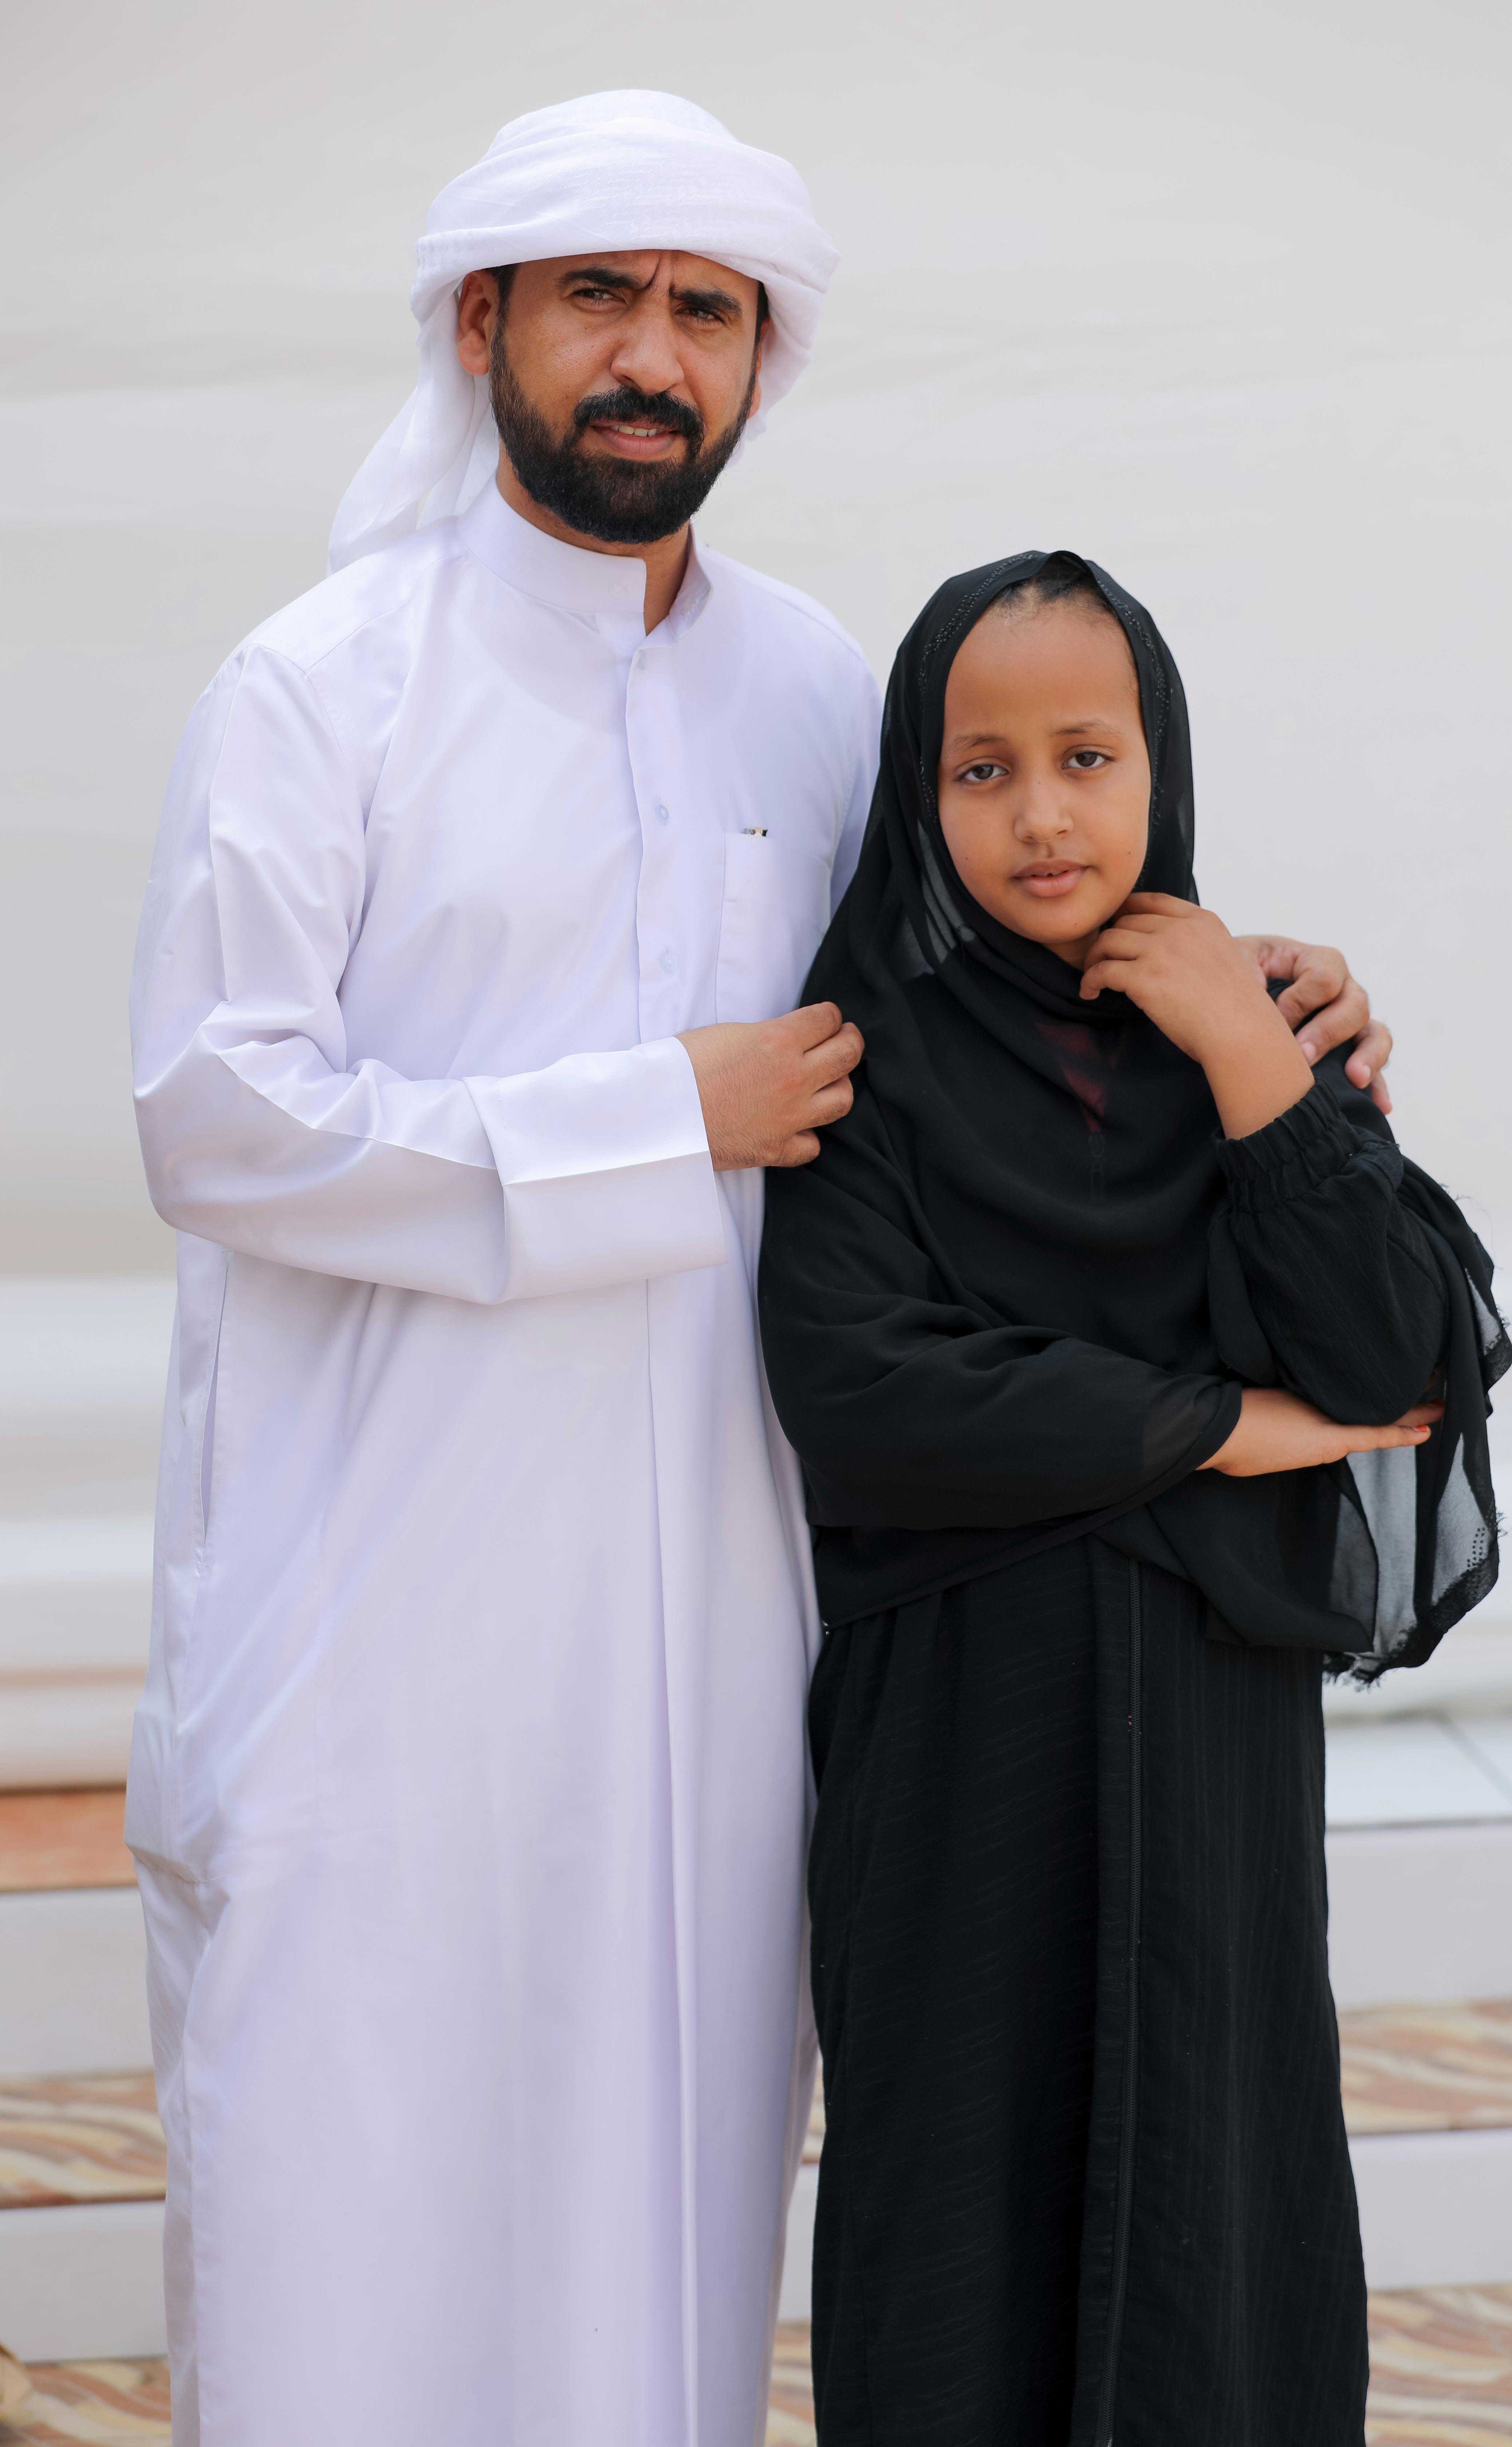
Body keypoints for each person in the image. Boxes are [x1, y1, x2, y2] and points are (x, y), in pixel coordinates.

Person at [129, 87, 1399, 2447]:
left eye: (705, 311)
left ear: (757, 360)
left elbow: (1014, 934)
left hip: (728, 1626)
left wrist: (1263, 987)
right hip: (383, 1606)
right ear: (484, 324)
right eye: (602, 296)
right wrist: (655, 1119)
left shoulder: (823, 690)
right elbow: (215, 1118)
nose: (653, 355)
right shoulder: (318, 690)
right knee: (354, 2194)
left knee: (670, 2221)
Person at [756, 552, 1510, 2447]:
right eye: (980, 768)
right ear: (917, 799)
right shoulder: (871, 1053)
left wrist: (1255, 1061)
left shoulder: (1255, 1033)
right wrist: (1211, 1430)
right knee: (961, 2215)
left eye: (1087, 756)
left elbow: (1397, 1359)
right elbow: (861, 1390)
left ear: (1160, 764)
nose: (1041, 813)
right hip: (955, 1751)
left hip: (1207, 1745)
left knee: (1211, 2189)